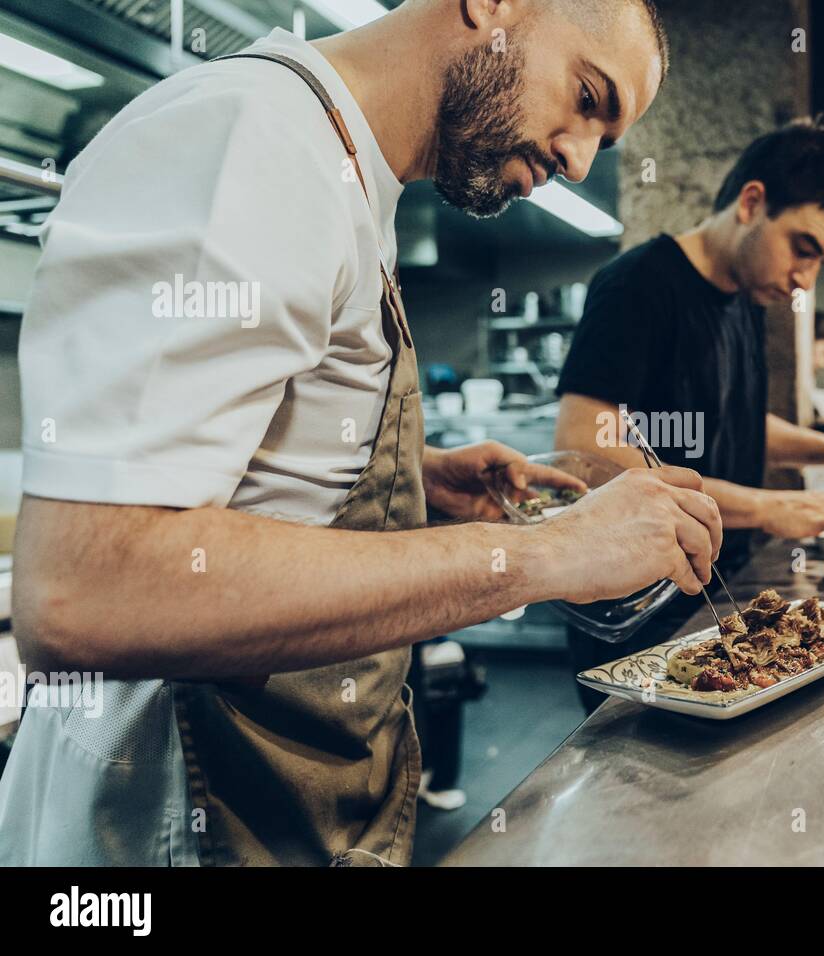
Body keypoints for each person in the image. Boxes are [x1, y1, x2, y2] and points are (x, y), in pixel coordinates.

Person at [0, 0, 717, 867]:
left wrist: (409, 477)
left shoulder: (346, 176)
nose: (578, 158)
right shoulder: (249, 140)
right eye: (589, 96)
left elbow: (245, 467)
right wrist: (550, 555)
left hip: (292, 815)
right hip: (177, 824)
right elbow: (86, 591)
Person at [554, 120, 824, 709]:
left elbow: (735, 423)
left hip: (720, 596)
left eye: (822, 263)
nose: (803, 281)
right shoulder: (637, 286)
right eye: (804, 249)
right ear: (753, 201)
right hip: (642, 609)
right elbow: (586, 453)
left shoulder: (742, 301)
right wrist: (764, 506)